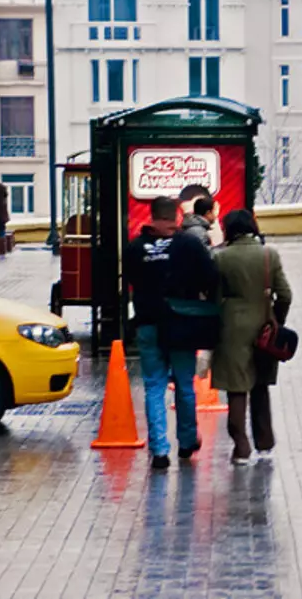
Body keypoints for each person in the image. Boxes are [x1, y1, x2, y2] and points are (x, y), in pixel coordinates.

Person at [123, 195, 218, 469]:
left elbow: (130, 281)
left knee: (154, 386)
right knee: (185, 385)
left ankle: (159, 450)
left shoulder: (134, 248)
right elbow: (211, 276)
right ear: (175, 217)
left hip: (148, 324)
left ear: (151, 217)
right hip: (182, 323)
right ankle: (187, 442)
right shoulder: (188, 244)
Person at [213, 209, 293, 462]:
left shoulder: (220, 258)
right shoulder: (269, 255)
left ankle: (241, 447)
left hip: (231, 328)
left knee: (237, 388)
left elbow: (214, 297)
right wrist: (277, 319)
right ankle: (265, 441)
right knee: (260, 384)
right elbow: (286, 294)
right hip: (264, 327)